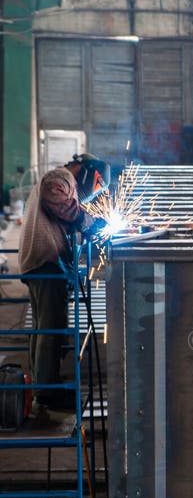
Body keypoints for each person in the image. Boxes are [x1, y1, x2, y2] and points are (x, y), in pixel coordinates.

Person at [18, 154, 110, 411]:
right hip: (46, 263)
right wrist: (85, 221)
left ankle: (42, 385)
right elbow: (55, 195)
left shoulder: (65, 180)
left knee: (43, 328)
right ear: (90, 174)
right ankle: (48, 392)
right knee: (51, 328)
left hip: (43, 264)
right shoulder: (60, 177)